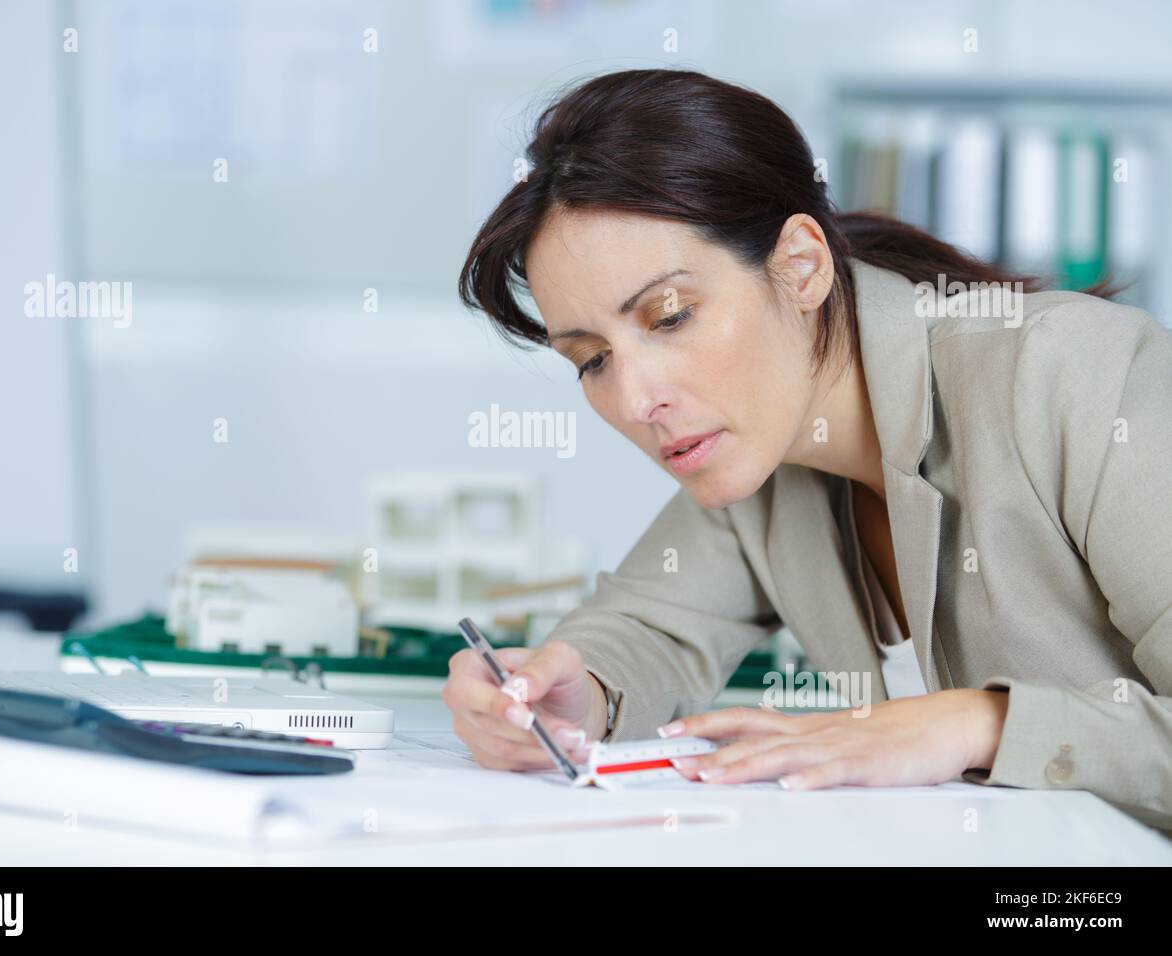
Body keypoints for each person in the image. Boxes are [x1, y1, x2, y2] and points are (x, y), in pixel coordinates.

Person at [446, 68, 1172, 833]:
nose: (634, 400)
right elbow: (650, 626)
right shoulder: (757, 456)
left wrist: (980, 724)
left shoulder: (1076, 374)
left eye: (671, 316)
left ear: (801, 265)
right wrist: (568, 697)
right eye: (592, 359)